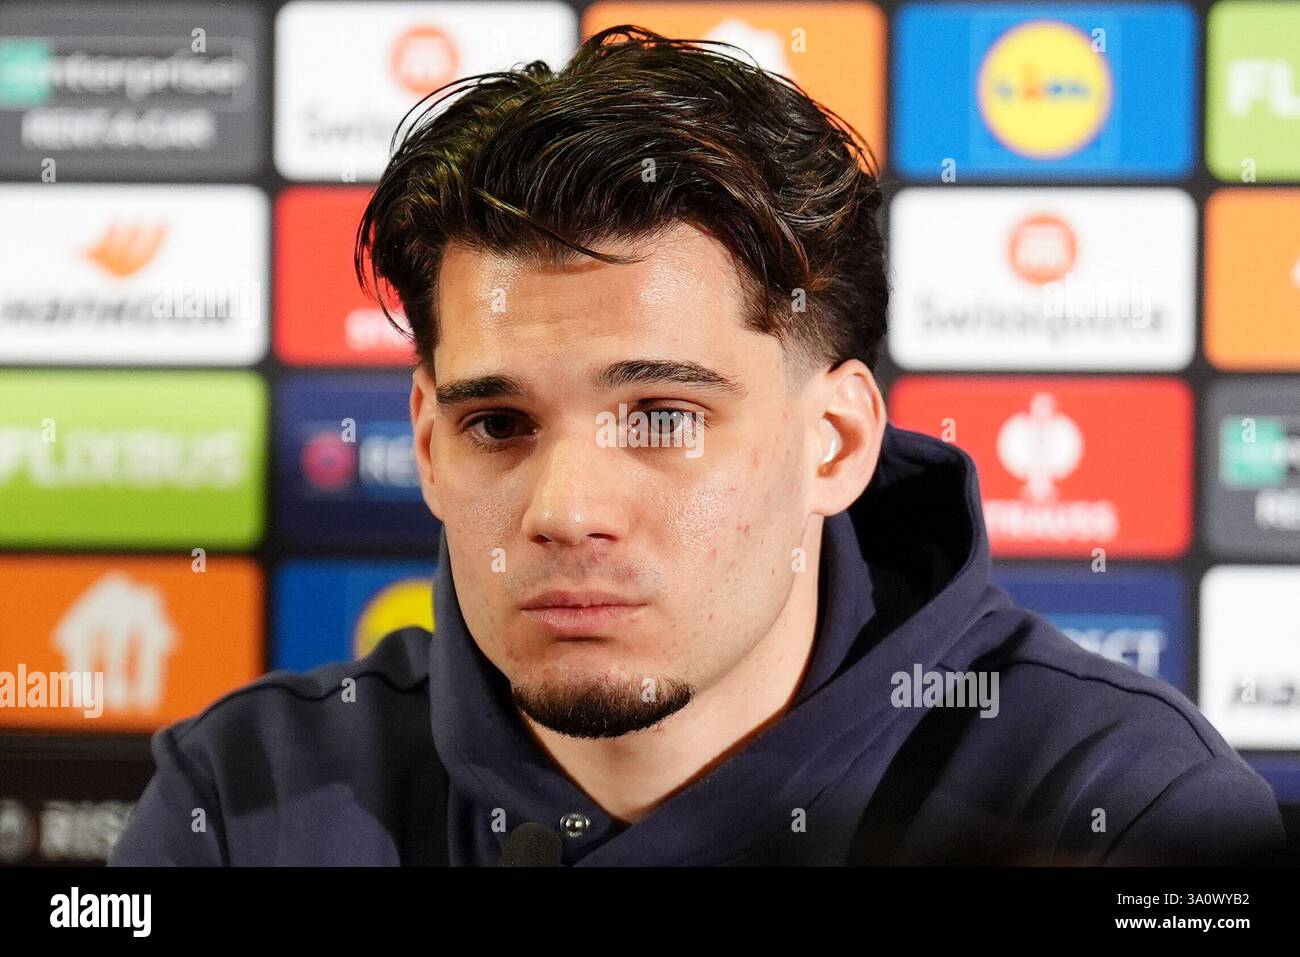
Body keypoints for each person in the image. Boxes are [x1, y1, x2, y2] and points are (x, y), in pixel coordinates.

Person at [110, 25, 1285, 866]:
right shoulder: (249, 800)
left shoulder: (1123, 809)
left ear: (834, 444)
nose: (564, 509)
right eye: (498, 424)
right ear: (426, 444)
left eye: (662, 416)